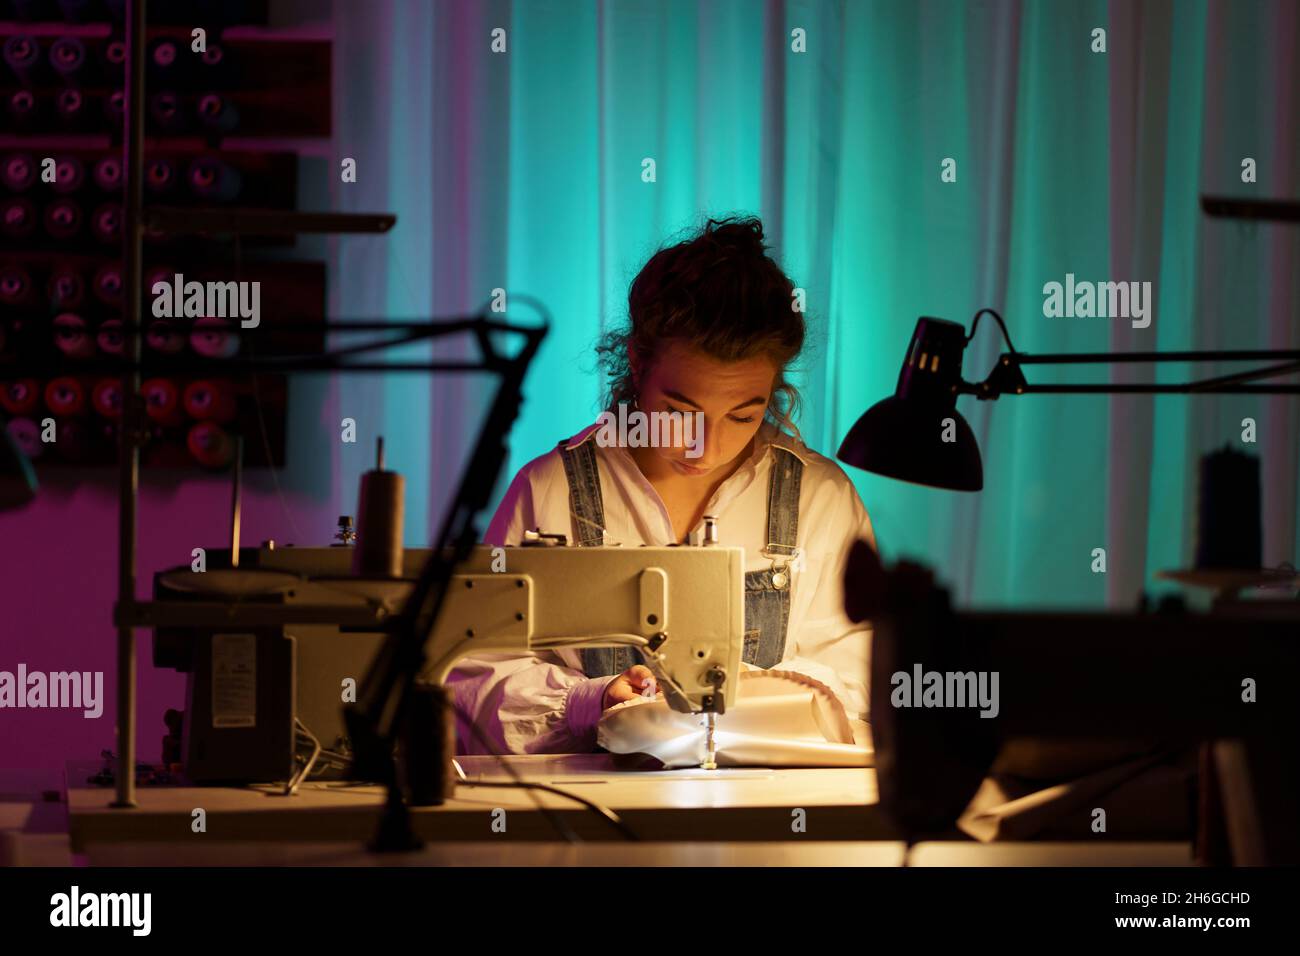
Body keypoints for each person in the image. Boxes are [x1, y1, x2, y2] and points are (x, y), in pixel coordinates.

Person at [447, 216, 876, 754]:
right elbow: (474, 675)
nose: (707, 448)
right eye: (681, 413)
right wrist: (591, 700)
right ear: (636, 362)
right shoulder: (549, 490)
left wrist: (758, 699)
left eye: (744, 416)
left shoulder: (820, 500)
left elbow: (858, 673)